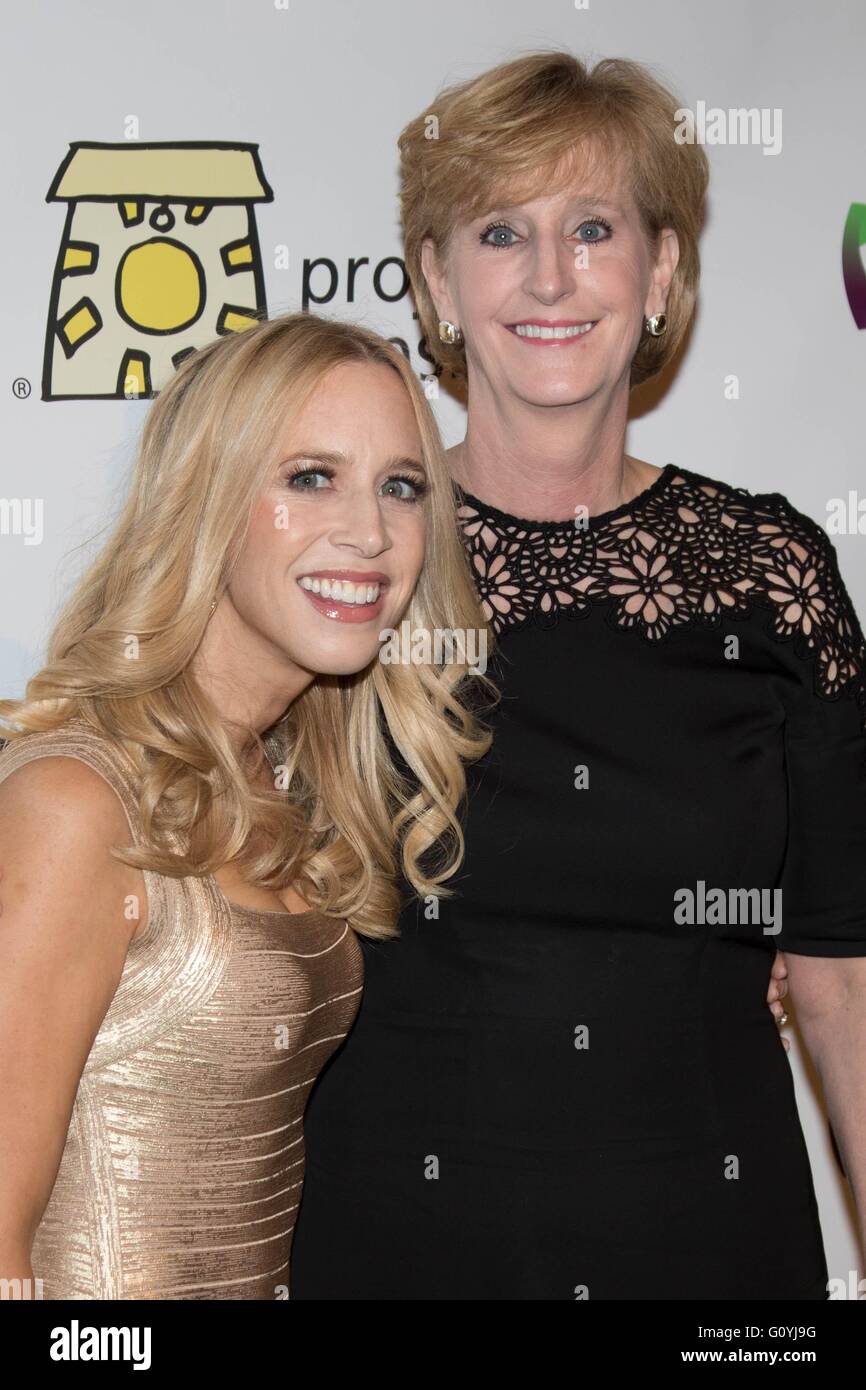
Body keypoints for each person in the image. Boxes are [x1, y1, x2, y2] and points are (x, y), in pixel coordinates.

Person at [290, 51, 866, 1299]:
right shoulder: (338, 558)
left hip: (718, 1264)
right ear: (436, 281)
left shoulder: (773, 574)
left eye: (592, 228)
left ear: (658, 273)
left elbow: (840, 976)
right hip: (397, 1253)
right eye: (500, 232)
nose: (549, 277)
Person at [0, 312, 492, 1299]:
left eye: (401, 486)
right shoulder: (77, 801)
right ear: (207, 500)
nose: (370, 531)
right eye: (310, 476)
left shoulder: (277, 782)